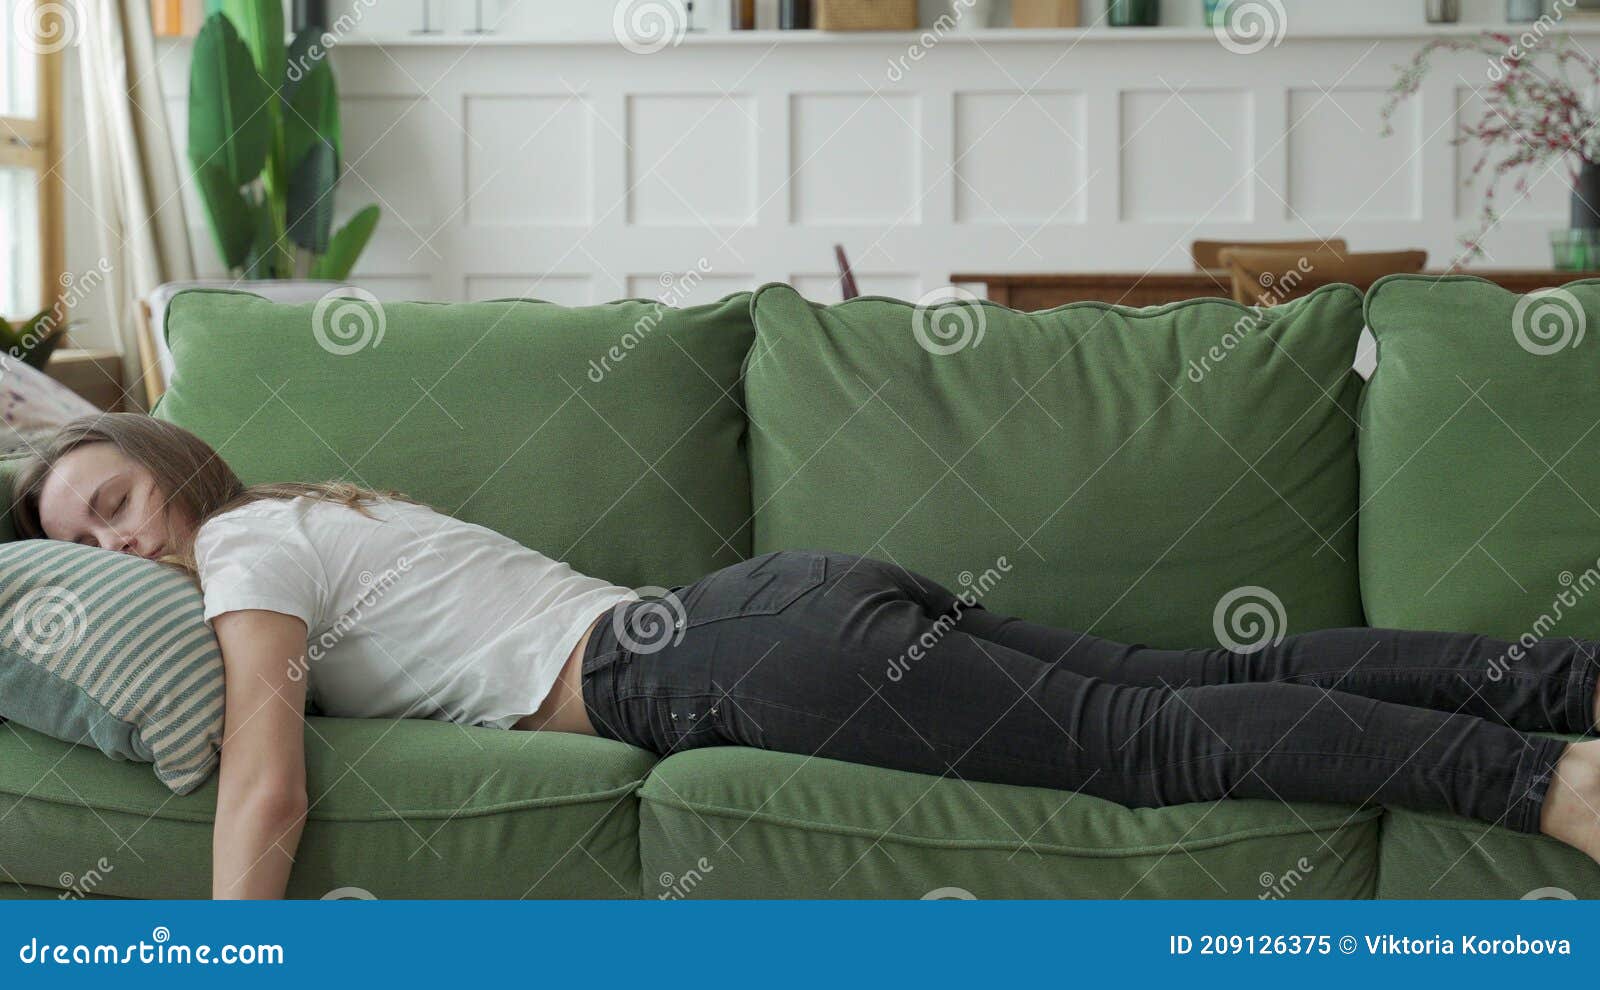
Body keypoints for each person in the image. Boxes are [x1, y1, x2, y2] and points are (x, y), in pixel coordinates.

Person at [13, 413, 1600, 899]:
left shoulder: (248, 552)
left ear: (173, 465)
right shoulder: (310, 513)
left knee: (1150, 747)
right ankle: (1565, 685)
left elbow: (265, 787)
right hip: (773, 606)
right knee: (1178, 683)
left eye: (116, 504)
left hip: (723, 663)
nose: (115, 549)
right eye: (80, 541)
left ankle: (1549, 780)